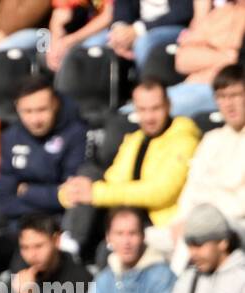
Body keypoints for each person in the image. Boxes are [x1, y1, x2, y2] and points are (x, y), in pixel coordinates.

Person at [58, 79, 200, 253]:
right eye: (142, 109)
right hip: (126, 220)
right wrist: (69, 193)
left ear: (168, 106)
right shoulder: (135, 140)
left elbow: (160, 193)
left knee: (105, 250)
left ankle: (72, 247)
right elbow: (114, 181)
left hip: (159, 224)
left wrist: (94, 193)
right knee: (89, 173)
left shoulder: (184, 140)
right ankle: (72, 240)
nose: (149, 117)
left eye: (156, 108)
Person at [148, 65, 245, 270]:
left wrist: (199, 219)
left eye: (235, 95)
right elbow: (192, 190)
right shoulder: (211, 139)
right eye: (222, 97)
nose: (228, 104)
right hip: (195, 220)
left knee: (190, 241)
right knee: (139, 241)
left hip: (235, 225)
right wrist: (182, 219)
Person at [0, 75, 88, 231]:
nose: (35, 119)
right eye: (27, 111)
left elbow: (70, 196)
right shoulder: (9, 137)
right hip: (20, 226)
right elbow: (4, 200)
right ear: (17, 107)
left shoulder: (76, 134)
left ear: (55, 104)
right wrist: (53, 197)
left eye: (42, 110)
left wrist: (26, 192)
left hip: (61, 226)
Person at [168, 0, 245, 117]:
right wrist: (225, 56)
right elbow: (182, 60)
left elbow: (238, 62)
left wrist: (207, 52)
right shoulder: (220, 13)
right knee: (146, 104)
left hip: (224, 90)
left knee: (161, 108)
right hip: (190, 85)